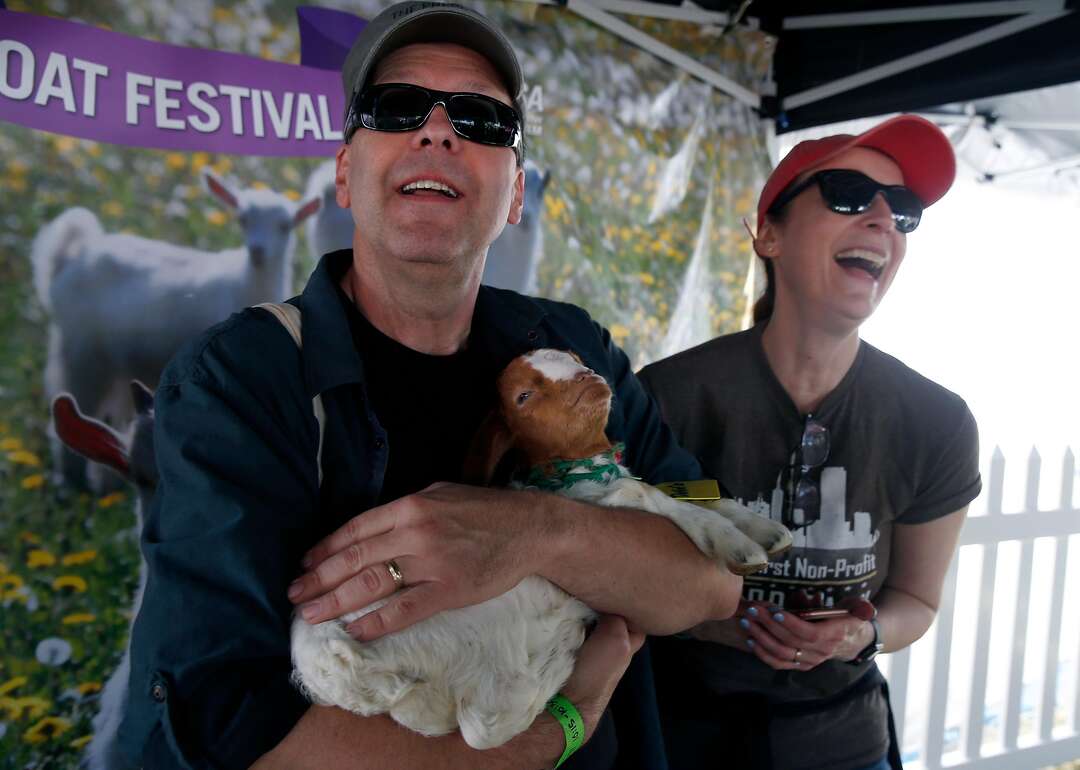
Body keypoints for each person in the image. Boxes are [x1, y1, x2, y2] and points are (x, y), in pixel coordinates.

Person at [118, 3, 743, 768]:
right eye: (397, 107)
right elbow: (241, 736)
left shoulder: (576, 349)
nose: (438, 131)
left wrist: (536, 533)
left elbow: (712, 581)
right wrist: (562, 725)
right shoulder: (237, 383)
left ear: (515, 196)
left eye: (483, 121)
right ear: (345, 174)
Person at [638, 115, 982, 770]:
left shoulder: (936, 422)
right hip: (680, 735)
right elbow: (617, 576)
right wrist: (722, 621)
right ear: (768, 235)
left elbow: (916, 602)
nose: (884, 219)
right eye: (850, 194)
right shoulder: (670, 396)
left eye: (903, 210)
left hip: (842, 744)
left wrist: (863, 632)